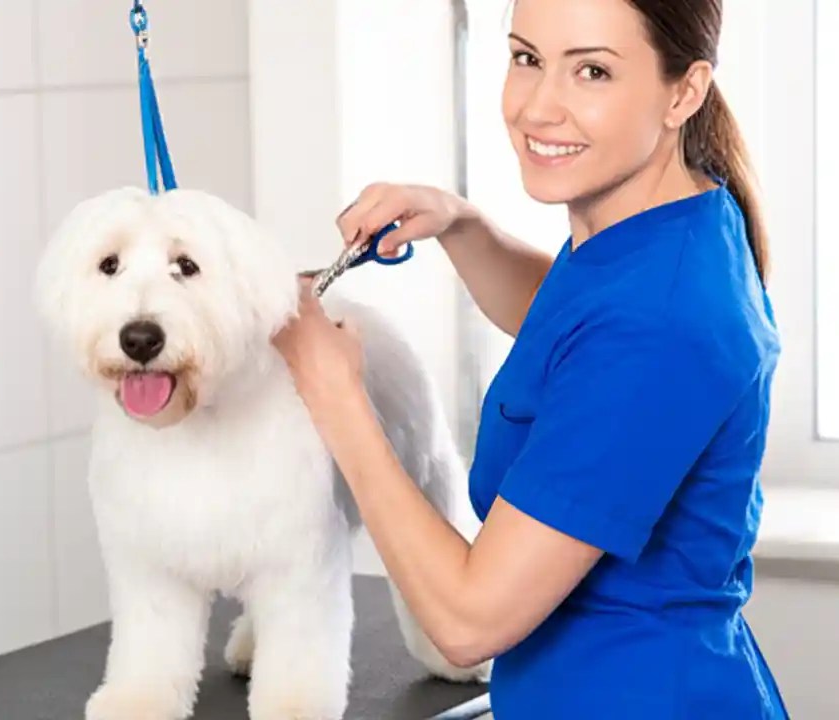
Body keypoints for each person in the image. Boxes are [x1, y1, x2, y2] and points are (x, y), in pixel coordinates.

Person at [271, 0, 790, 717]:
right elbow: (579, 334)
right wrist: (464, 227)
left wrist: (335, 394)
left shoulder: (660, 322)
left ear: (685, 92)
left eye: (593, 72)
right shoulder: (669, 222)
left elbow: (467, 620)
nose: (539, 107)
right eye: (526, 58)